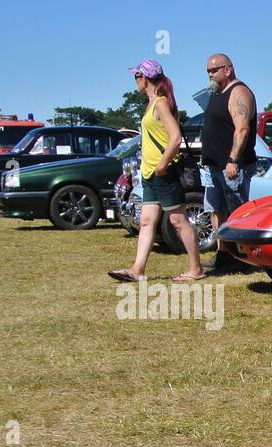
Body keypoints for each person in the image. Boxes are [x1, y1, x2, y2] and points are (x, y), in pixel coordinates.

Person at [109, 60, 203, 282]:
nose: (135, 82)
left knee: (178, 221)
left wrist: (162, 165)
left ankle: (196, 268)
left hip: (163, 172)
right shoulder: (152, 103)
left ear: (145, 78)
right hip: (150, 173)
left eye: (136, 77)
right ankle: (137, 270)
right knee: (146, 221)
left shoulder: (160, 103)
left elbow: (176, 138)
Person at [200, 53, 257, 273]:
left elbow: (242, 129)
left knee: (237, 212)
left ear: (228, 69)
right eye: (208, 71)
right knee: (217, 210)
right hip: (214, 166)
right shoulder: (217, 92)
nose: (210, 74)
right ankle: (224, 253)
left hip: (232, 167)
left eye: (214, 70)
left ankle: (244, 257)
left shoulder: (239, 92)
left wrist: (233, 160)